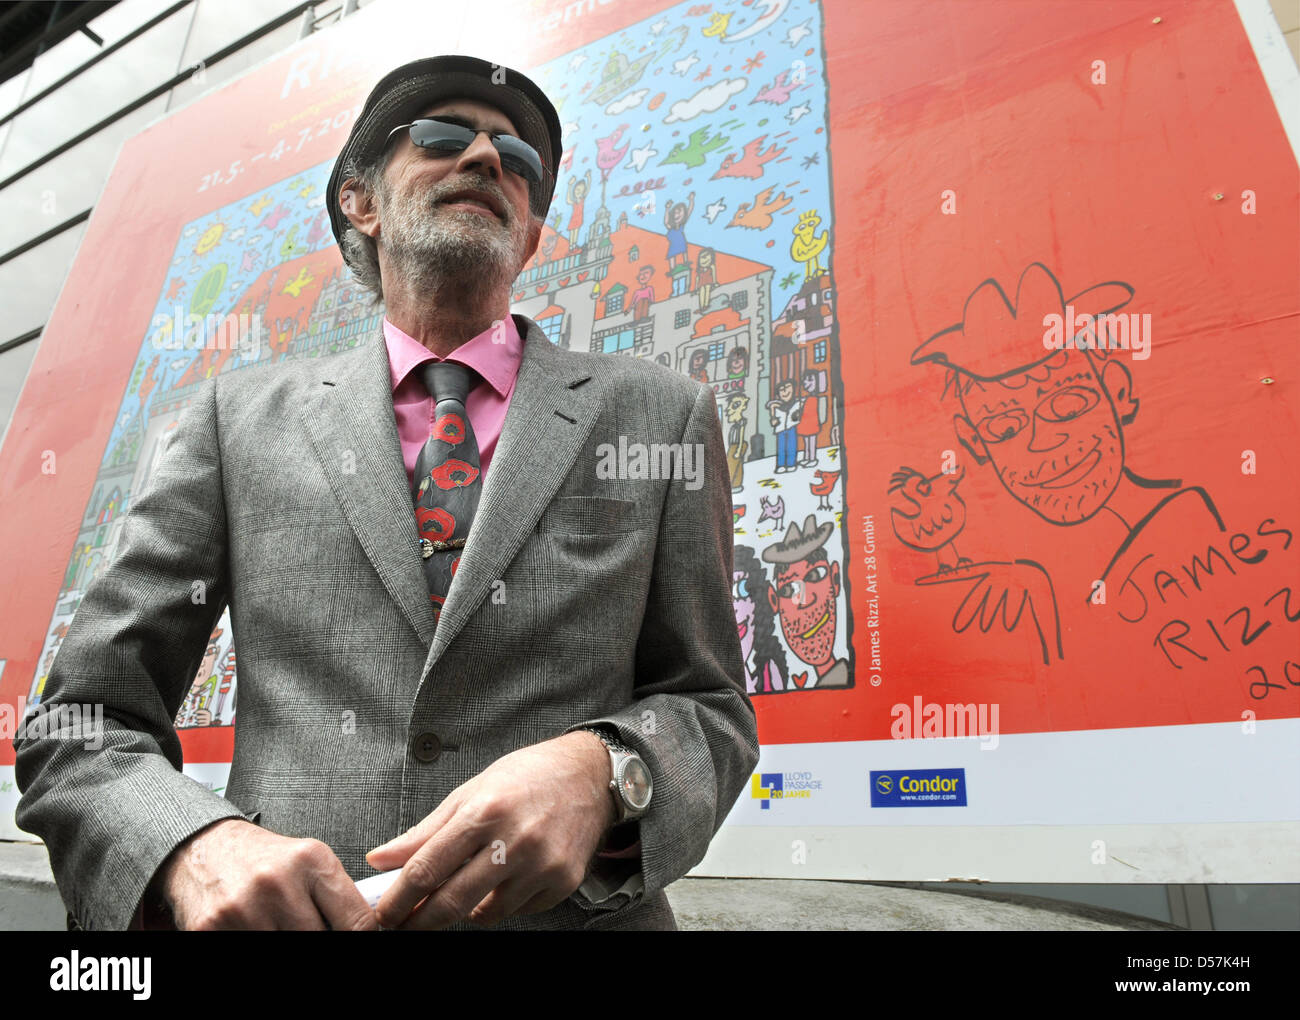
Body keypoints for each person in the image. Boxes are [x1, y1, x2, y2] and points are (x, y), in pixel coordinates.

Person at [13, 55, 758, 932]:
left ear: (528, 236)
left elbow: (710, 708)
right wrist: (188, 845)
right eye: (444, 134)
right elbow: (81, 719)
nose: (488, 157)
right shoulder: (234, 420)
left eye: (518, 158)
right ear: (358, 203)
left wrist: (607, 771)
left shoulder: (662, 415)